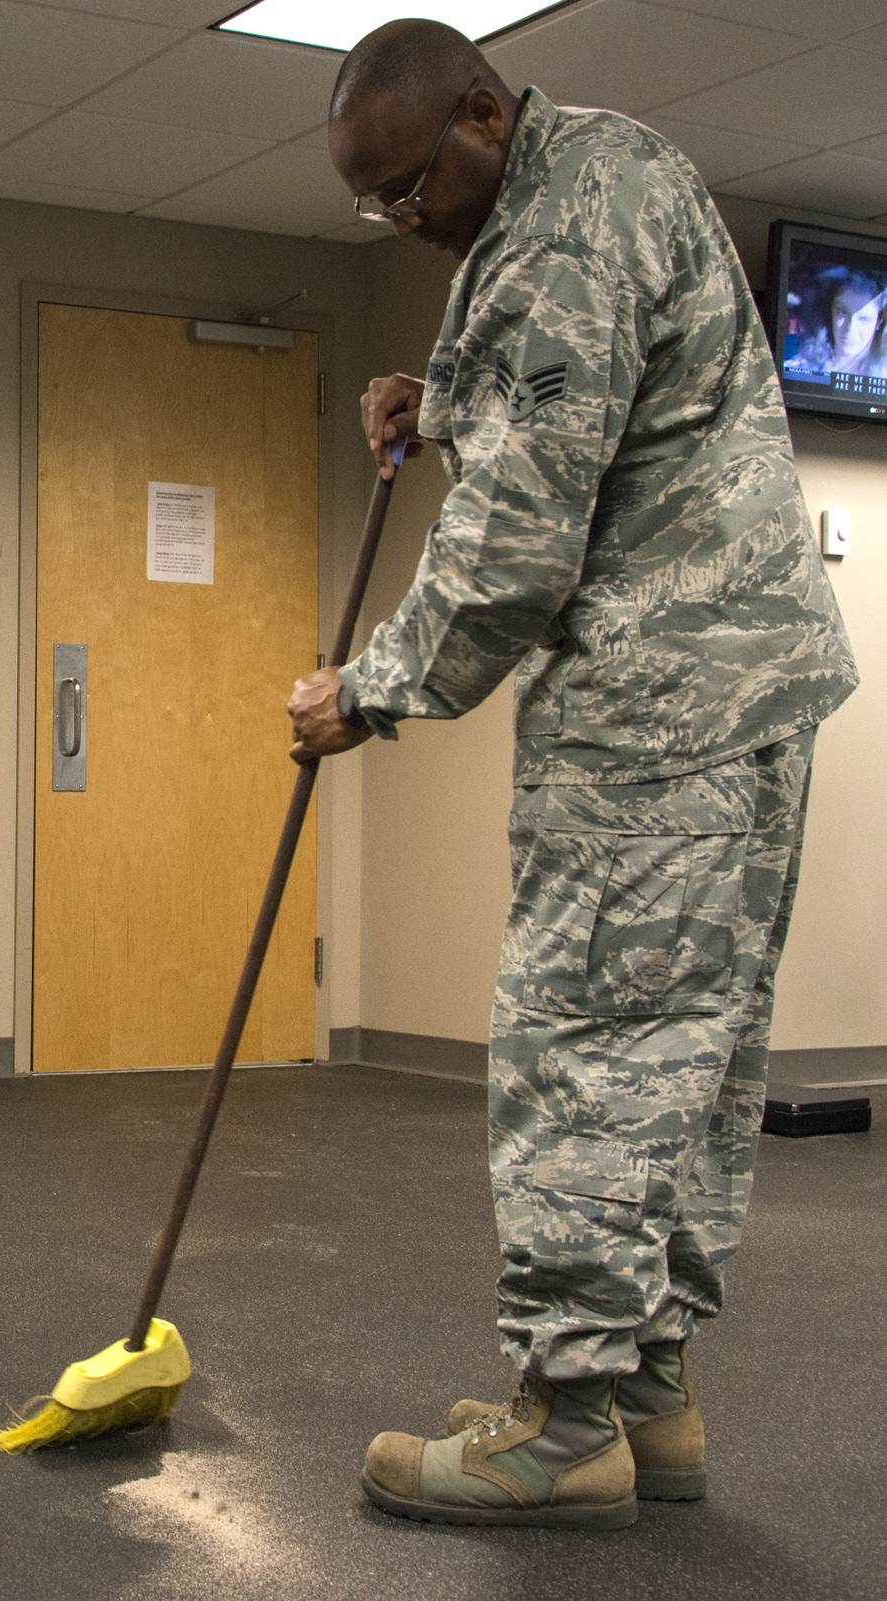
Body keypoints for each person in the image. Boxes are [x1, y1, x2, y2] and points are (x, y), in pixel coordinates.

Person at [290, 20, 858, 1532]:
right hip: (740, 701)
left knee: (585, 1048)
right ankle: (646, 1395)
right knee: (686, 1058)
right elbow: (598, 409)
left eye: (409, 189)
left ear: (483, 108)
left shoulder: (550, 232)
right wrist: (453, 396)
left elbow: (522, 546)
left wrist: (374, 689)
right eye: (377, 208)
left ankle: (564, 1423)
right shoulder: (598, 169)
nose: (402, 224)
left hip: (658, 721)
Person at [785, 263, 887, 382]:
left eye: (864, 319)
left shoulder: (882, 375)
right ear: (830, 310)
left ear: (878, 321)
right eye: (842, 312)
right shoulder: (796, 362)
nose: (850, 329)